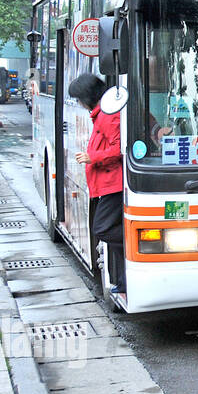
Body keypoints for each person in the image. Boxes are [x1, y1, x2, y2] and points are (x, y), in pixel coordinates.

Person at [69, 74, 124, 293]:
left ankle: (135, 237)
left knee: (102, 228)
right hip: (108, 183)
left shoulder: (107, 115)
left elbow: (119, 148)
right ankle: (122, 282)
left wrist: (94, 157)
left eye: (78, 98)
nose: (78, 104)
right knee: (109, 235)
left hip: (113, 184)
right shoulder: (101, 114)